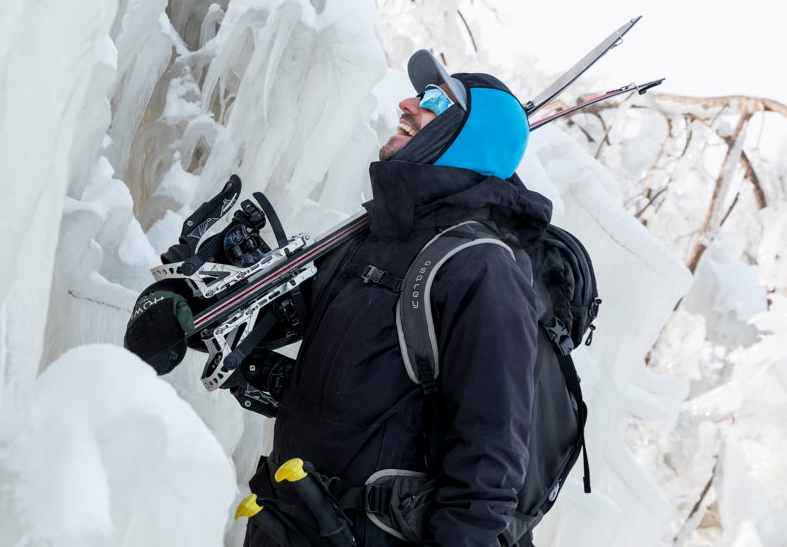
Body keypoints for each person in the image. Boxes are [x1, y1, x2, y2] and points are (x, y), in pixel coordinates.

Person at [126, 49, 553, 547]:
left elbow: (488, 464)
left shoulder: (482, 271)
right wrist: (190, 306)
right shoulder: (364, 239)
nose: (407, 103)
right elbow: (284, 335)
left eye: (433, 99)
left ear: (471, 140)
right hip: (286, 524)